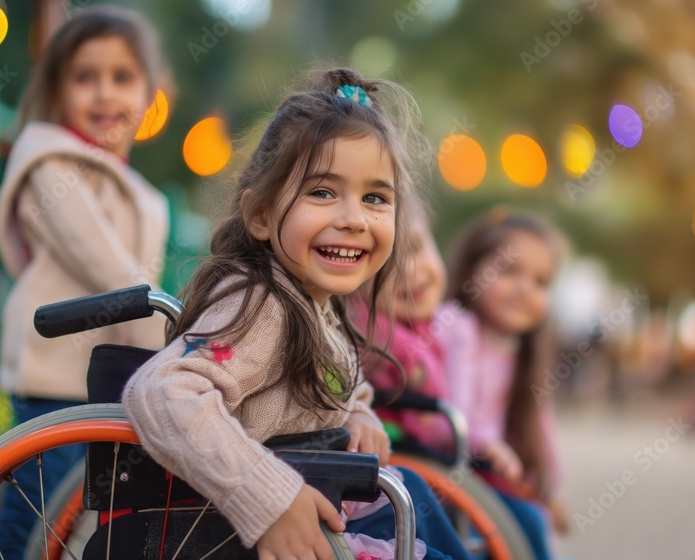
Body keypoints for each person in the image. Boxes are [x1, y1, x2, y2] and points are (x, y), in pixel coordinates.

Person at [123, 68, 470, 559]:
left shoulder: (318, 306)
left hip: (320, 496)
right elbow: (162, 392)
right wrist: (269, 497)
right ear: (261, 215)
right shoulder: (261, 302)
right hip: (239, 530)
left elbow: (334, 382)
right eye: (323, 192)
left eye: (374, 198)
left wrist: (358, 410)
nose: (352, 218)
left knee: (413, 490)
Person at [0, 6, 173, 558]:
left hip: (110, 378)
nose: (104, 94)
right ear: (58, 89)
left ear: (147, 92)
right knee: (35, 519)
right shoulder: (48, 164)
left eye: (122, 78)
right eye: (85, 77)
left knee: (85, 523)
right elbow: (110, 270)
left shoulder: (135, 188)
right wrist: (175, 339)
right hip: (56, 377)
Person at [437, 207, 569, 560]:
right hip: (454, 464)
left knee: (534, 518)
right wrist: (485, 442)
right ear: (472, 270)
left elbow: (541, 425)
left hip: (489, 472)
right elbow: (455, 404)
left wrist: (553, 489)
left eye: (541, 282)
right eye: (509, 271)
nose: (525, 289)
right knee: (526, 521)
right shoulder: (458, 327)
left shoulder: (524, 354)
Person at [363, 206, 456, 457]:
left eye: (415, 247)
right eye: (385, 266)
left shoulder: (437, 322)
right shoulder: (370, 327)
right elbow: (427, 383)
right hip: (399, 455)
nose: (410, 271)